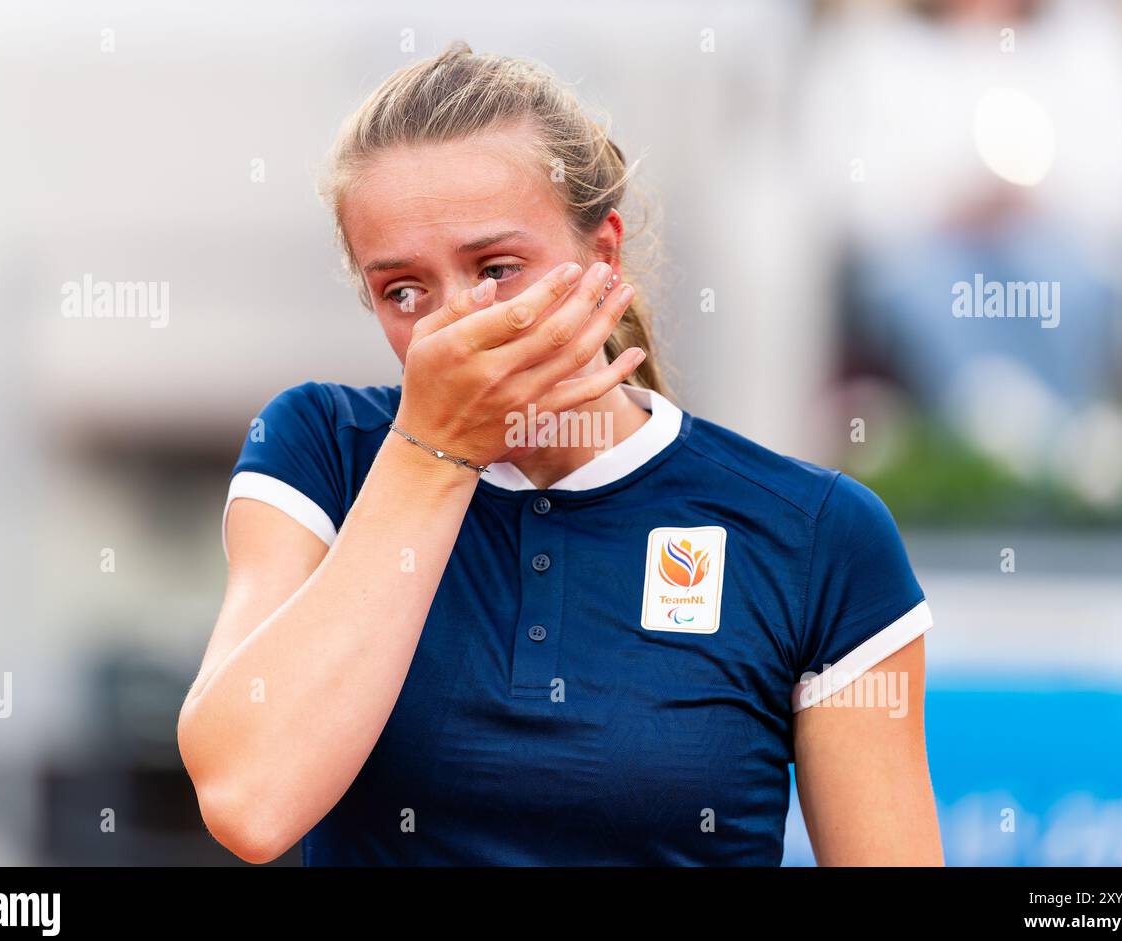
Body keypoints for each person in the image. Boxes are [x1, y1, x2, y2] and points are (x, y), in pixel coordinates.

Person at [177, 42, 942, 866]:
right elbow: (248, 800)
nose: (456, 325)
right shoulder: (322, 448)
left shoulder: (815, 534)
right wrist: (437, 452)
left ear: (603, 255)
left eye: (498, 268)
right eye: (403, 290)